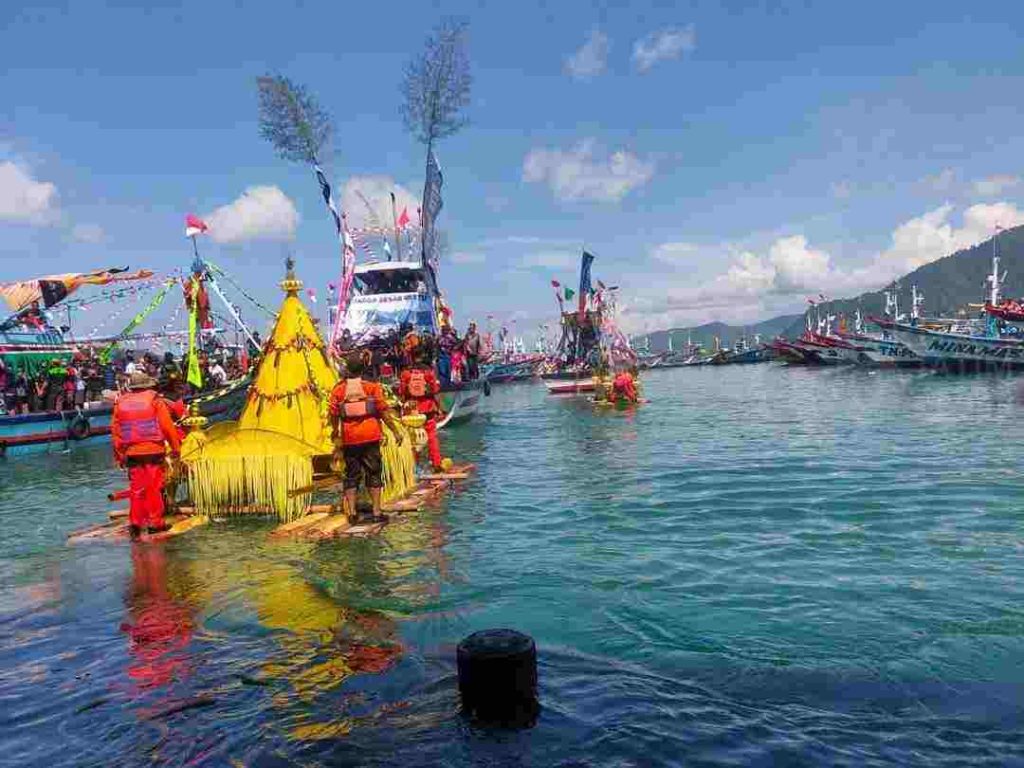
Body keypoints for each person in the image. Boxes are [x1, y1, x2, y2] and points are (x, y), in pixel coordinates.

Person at [328, 351, 404, 524]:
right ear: (363, 369)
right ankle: (376, 512)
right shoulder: (372, 387)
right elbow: (383, 411)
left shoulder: (338, 390)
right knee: (374, 472)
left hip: (350, 439)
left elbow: (332, 413)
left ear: (346, 370)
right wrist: (395, 431)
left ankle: (352, 513)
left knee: (351, 475)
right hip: (370, 437)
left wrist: (335, 431)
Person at [111, 371, 182, 539]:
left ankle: (135, 523)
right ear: (148, 385)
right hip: (153, 449)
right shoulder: (154, 400)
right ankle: (154, 523)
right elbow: (167, 426)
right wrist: (176, 448)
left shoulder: (120, 402)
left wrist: (119, 456)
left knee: (137, 488)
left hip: (132, 451)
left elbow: (115, 432)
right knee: (153, 487)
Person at [399, 348, 444, 470]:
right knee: (431, 437)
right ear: (423, 356)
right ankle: (436, 464)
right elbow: (435, 391)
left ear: (411, 357)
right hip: (427, 408)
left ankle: (412, 466)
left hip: (411, 409)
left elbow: (402, 392)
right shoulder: (429, 372)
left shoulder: (406, 373)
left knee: (412, 438)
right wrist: (440, 408)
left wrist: (403, 406)